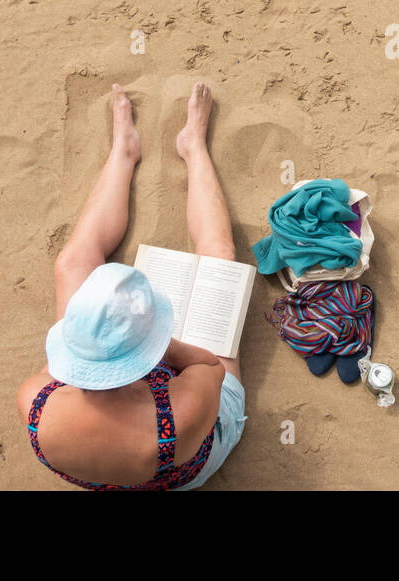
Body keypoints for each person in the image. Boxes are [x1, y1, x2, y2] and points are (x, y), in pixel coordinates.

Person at [15, 82, 247, 490]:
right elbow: (207, 365)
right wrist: (163, 344)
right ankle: (194, 149)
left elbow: (62, 367)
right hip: (179, 452)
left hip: (122, 451)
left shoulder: (35, 399)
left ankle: (123, 153)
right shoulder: (182, 415)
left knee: (72, 262)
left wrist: (100, 340)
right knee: (218, 260)